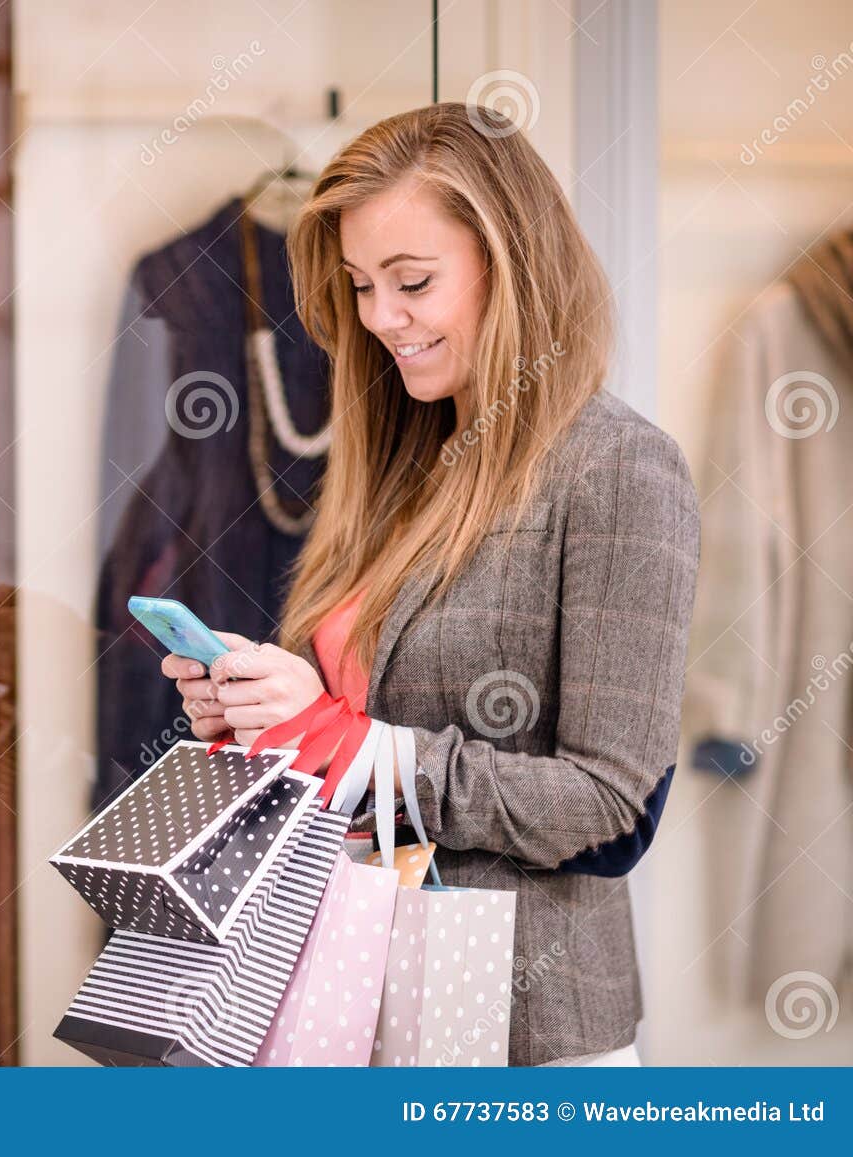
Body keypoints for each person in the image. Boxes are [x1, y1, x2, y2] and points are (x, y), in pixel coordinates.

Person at [163, 102, 699, 1066]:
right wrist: (264, 708)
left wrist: (338, 740)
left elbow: (608, 807)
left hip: (522, 1033)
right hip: (364, 985)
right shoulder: (414, 456)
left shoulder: (620, 471)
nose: (380, 319)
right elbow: (368, 727)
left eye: (413, 282)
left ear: (516, 265)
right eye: (364, 285)